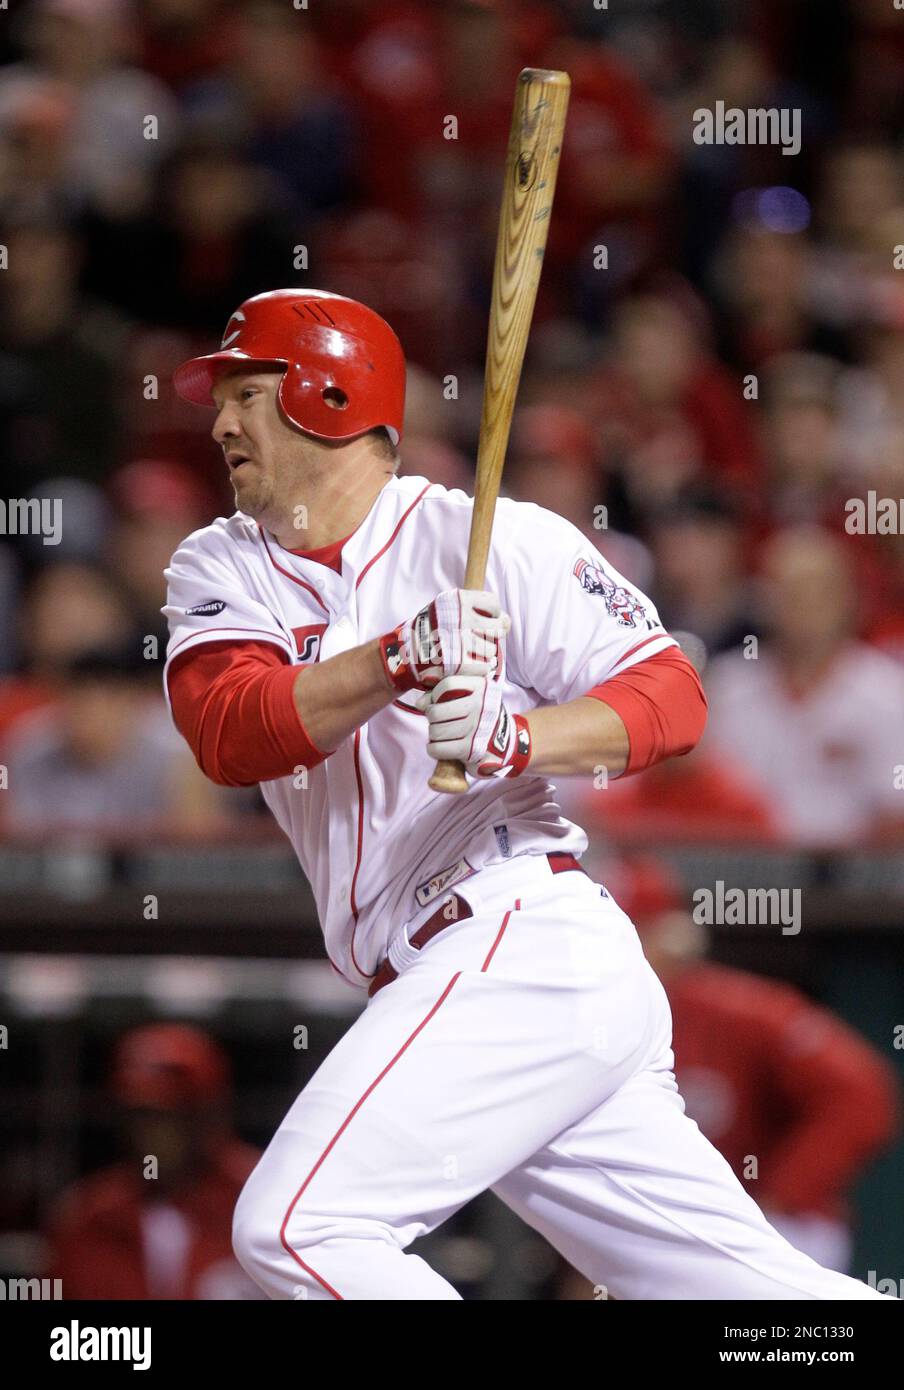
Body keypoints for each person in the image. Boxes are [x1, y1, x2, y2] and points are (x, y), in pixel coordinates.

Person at [163, 286, 889, 1301]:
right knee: (749, 1300)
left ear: (329, 394)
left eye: (246, 391)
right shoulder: (221, 564)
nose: (220, 420)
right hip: (465, 972)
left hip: (514, 933)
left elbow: (669, 697)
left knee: (299, 1226)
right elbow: (230, 731)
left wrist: (520, 737)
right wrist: (400, 657)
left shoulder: (492, 538)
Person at [46, 1024, 262, 1300]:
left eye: (168, 1115)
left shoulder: (259, 1200)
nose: (149, 1133)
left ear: (208, 1114)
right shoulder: (90, 1217)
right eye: (140, 1115)